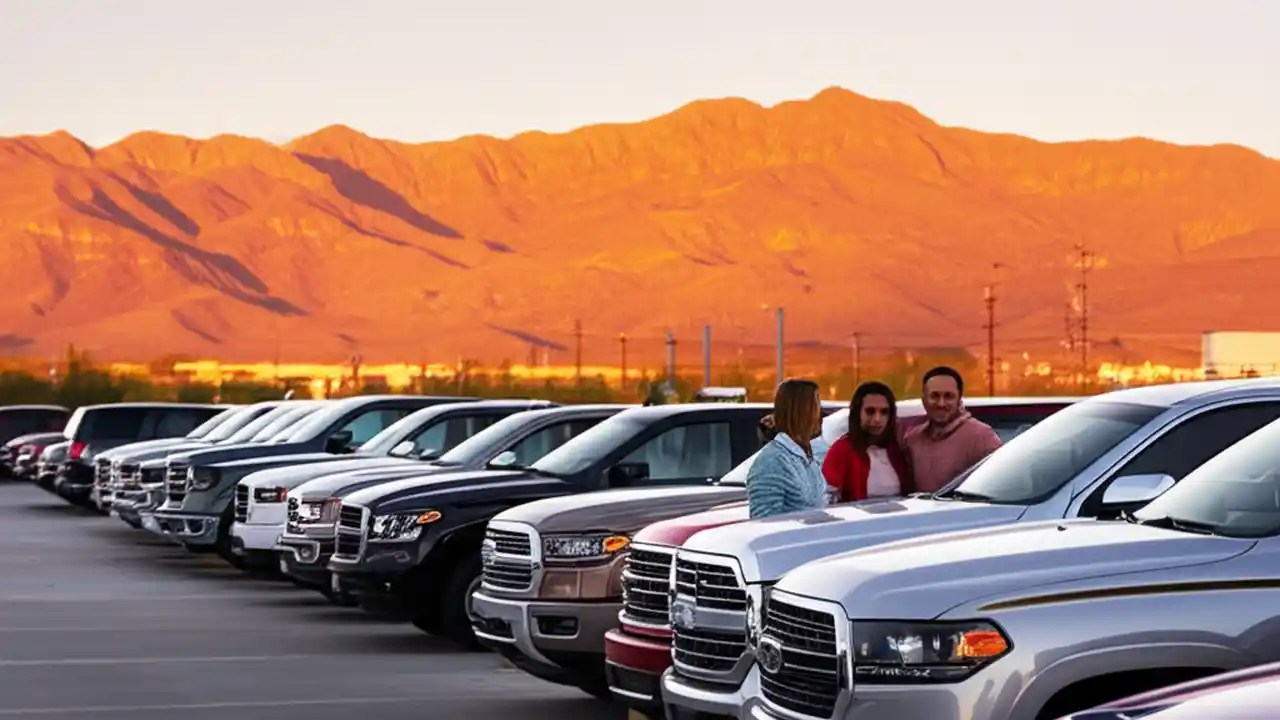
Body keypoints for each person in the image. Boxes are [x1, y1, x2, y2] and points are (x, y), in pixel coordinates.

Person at [903, 366, 1002, 493]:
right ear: (924, 401)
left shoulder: (981, 437)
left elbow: (1001, 485)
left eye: (948, 396)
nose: (941, 403)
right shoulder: (913, 440)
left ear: (959, 400)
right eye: (934, 396)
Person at [745, 378, 827, 519]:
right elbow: (763, 525)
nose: (820, 413)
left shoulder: (807, 456)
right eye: (816, 405)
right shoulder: (772, 462)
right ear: (802, 411)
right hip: (790, 540)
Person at [822, 381, 913, 502]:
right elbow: (826, 499)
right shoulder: (841, 450)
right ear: (857, 413)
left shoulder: (897, 449)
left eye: (884, 412)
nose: (877, 419)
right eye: (870, 411)